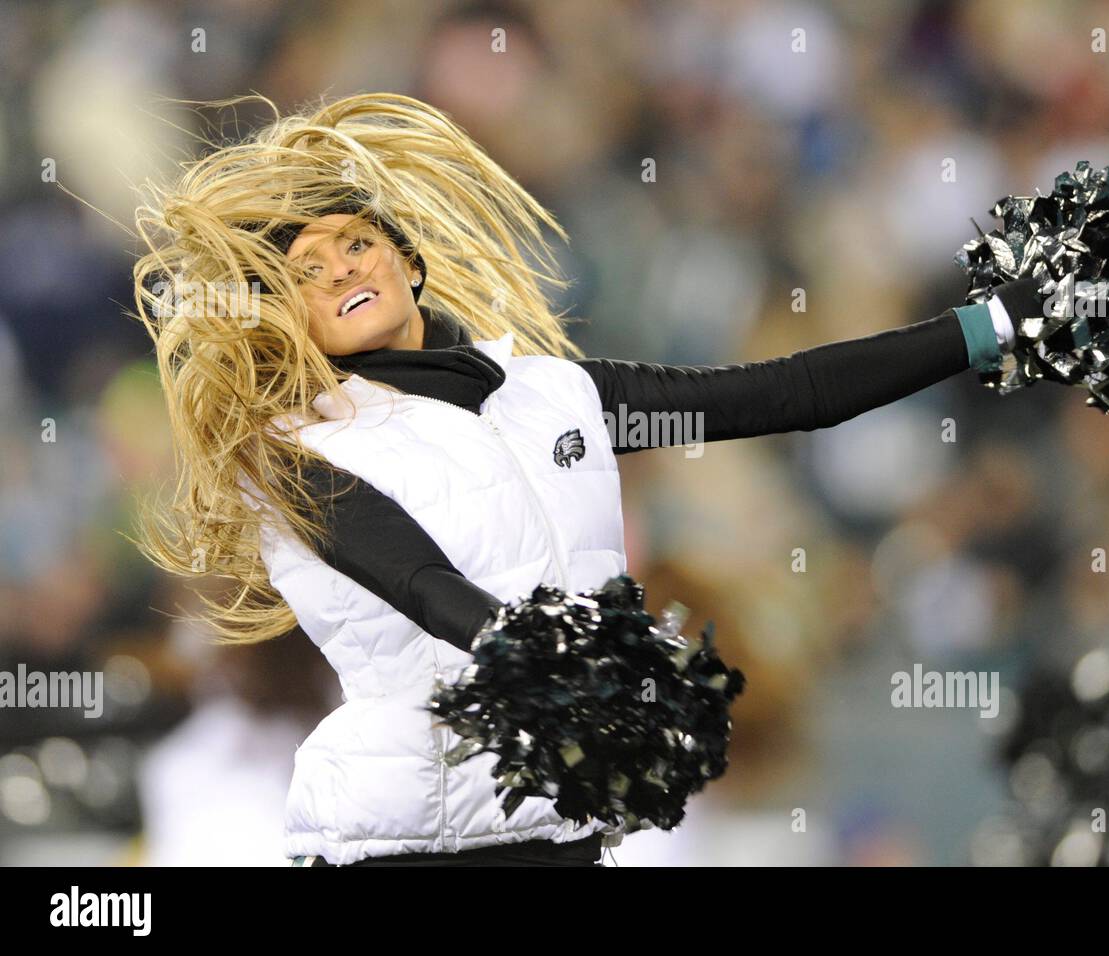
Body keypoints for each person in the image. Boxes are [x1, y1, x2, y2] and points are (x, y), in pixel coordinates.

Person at [127, 91, 1043, 866]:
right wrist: (576, 674)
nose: (341, 273)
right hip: (399, 839)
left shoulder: (555, 395)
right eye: (307, 274)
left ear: (408, 259)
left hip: (557, 825)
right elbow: (419, 583)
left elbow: (786, 394)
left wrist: (991, 326)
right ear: (294, 322)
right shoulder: (296, 453)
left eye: (355, 245)